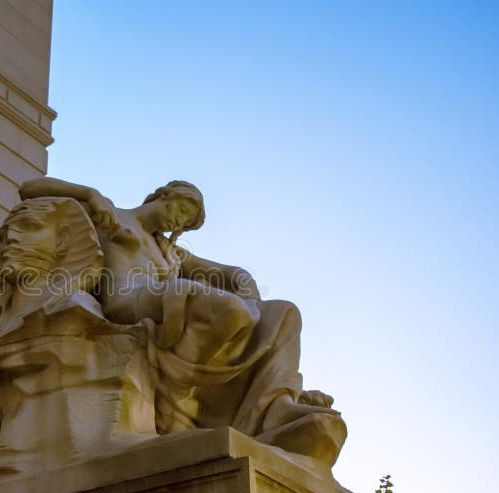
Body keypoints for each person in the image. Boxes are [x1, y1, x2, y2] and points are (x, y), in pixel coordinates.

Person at [19, 178, 345, 461]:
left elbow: (226, 274)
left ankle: (276, 407)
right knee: (231, 311)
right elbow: (29, 188)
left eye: (185, 223)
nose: (178, 224)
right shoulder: (113, 216)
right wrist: (89, 194)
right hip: (129, 300)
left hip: (166, 298)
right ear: (163, 196)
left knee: (285, 314)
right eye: (180, 212)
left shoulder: (170, 253)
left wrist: (245, 280)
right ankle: (175, 398)